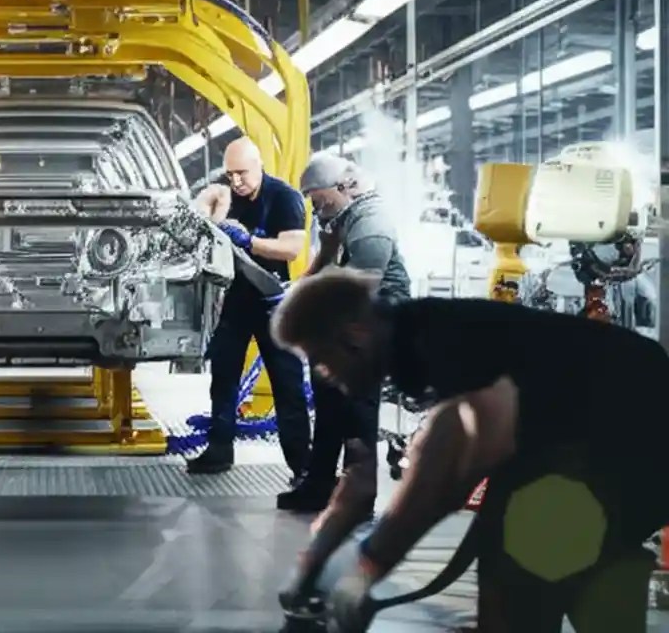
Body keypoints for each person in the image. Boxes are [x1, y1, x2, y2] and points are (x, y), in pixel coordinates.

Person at [271, 269, 669, 632]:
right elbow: (361, 480)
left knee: (520, 553)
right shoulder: (410, 340)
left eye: (321, 359)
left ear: (354, 335)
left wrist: (367, 567)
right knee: (514, 534)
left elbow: (457, 466)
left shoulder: (439, 339)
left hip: (636, 440)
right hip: (591, 443)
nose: (322, 373)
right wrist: (313, 561)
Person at [278, 154, 411, 514]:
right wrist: (294, 291)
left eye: (318, 198)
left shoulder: (371, 221)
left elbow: (364, 283)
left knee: (357, 407)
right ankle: (320, 485)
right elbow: (323, 261)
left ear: (341, 188)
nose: (315, 206)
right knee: (328, 403)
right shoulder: (340, 216)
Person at [190, 137, 309, 477]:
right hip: (237, 300)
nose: (237, 181)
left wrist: (249, 241)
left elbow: (291, 249)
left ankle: (301, 464)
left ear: (258, 165)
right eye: (231, 175)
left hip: (272, 303)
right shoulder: (231, 197)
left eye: (242, 173)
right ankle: (219, 451)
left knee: (286, 384)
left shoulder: (284, 197)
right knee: (223, 376)